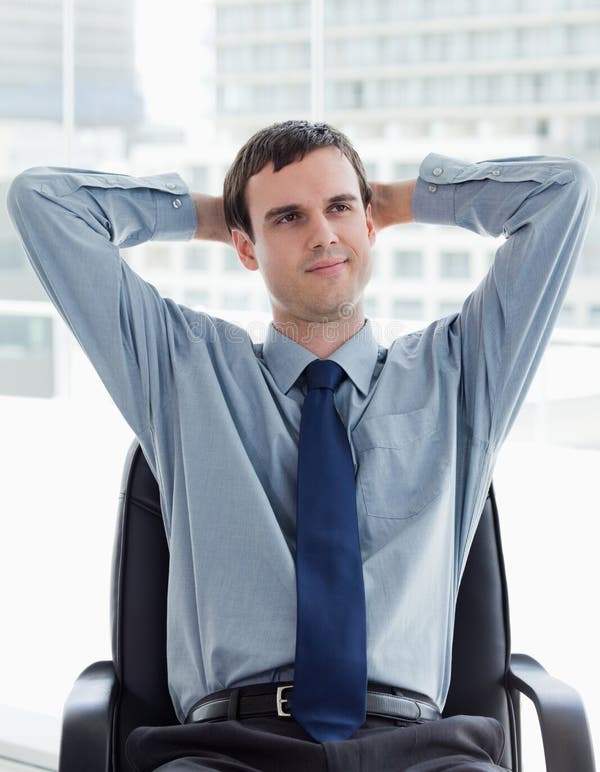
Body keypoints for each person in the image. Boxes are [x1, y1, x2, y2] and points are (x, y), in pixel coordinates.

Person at [6, 120, 596, 771]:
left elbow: (560, 194)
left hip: (421, 752)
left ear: (369, 222)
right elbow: (43, 201)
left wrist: (396, 201)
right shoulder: (181, 372)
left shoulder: (460, 374)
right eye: (287, 217)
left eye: (339, 207)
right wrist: (217, 217)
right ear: (246, 248)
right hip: (227, 749)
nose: (322, 234)